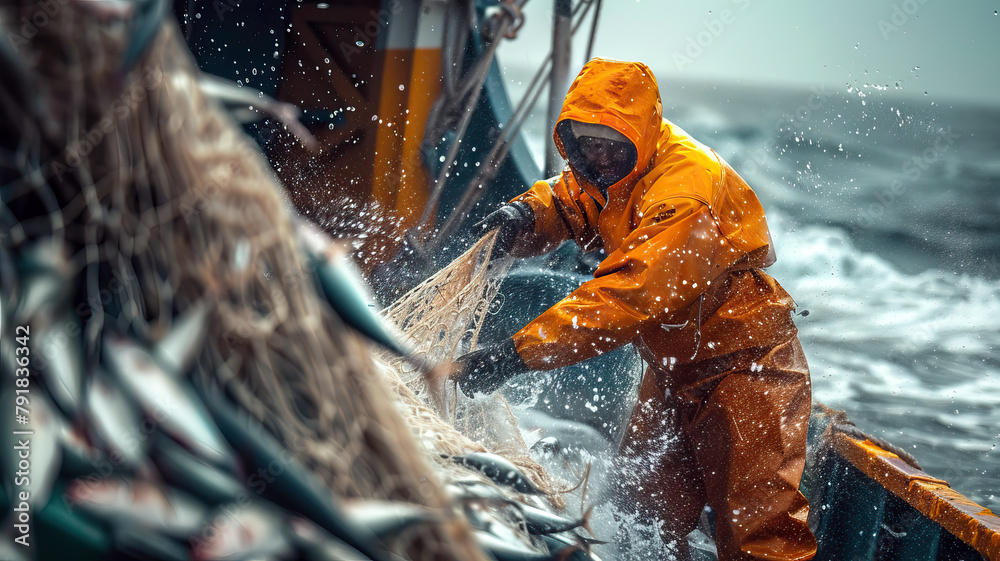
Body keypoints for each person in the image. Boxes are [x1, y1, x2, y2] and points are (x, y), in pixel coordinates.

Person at [452, 58, 817, 561]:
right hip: (672, 371)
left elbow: (626, 297)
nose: (598, 158)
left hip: (746, 368)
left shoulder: (686, 191)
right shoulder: (611, 170)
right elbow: (569, 200)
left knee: (758, 533)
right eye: (586, 145)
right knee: (643, 518)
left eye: (610, 147)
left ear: (640, 138)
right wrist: (526, 216)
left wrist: (514, 356)